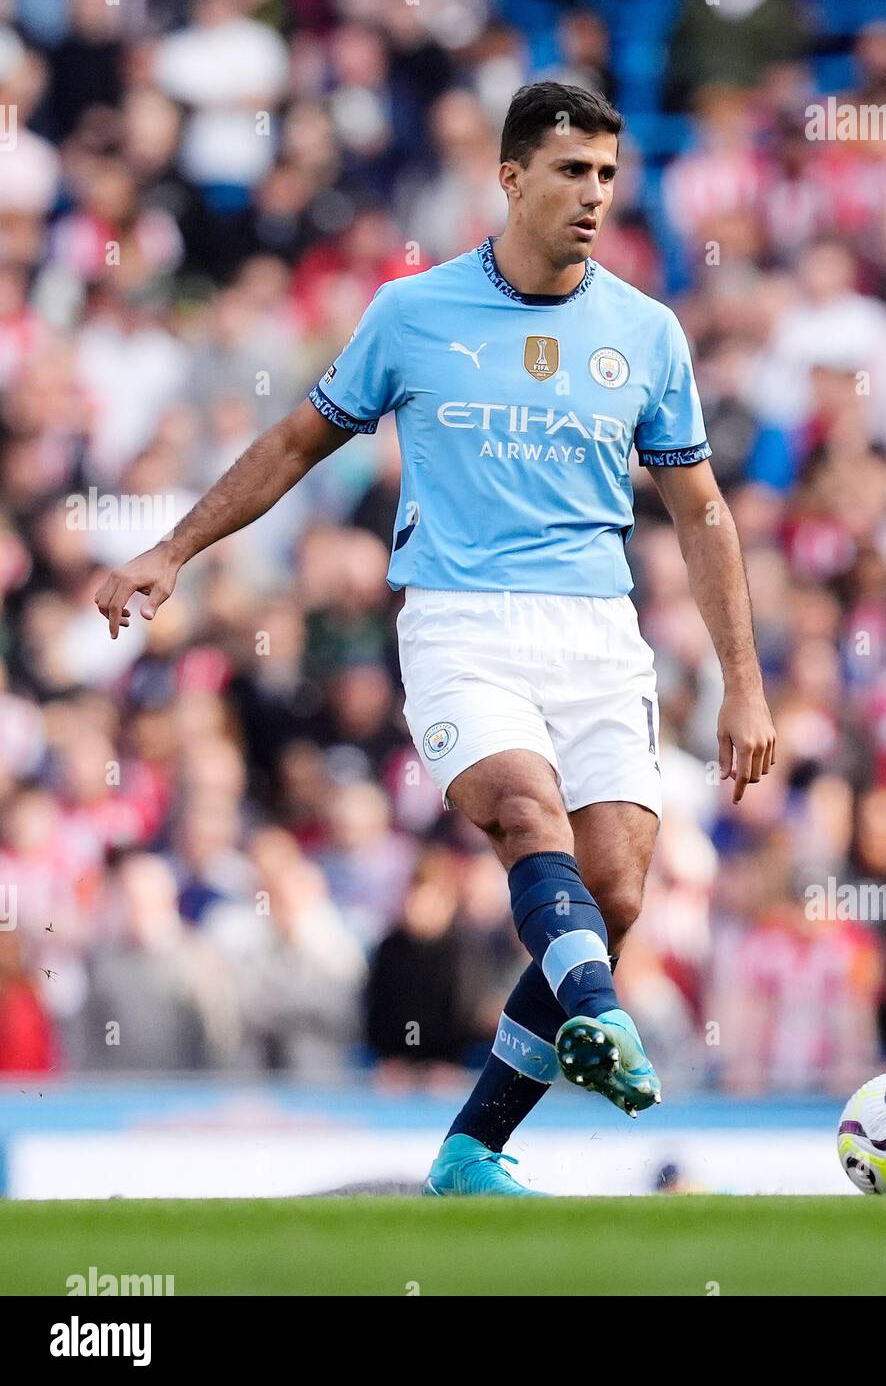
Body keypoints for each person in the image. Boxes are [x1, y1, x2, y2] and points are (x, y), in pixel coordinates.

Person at [93, 82, 776, 1196]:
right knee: (524, 813)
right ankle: (605, 1016)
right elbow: (290, 444)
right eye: (570, 170)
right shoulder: (412, 313)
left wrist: (743, 685)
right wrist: (172, 549)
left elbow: (702, 514)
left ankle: (471, 1150)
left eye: (608, 173)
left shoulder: (647, 334)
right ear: (510, 178)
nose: (594, 193)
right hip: (463, 620)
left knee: (614, 890)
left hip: (601, 632)